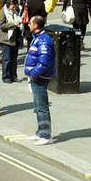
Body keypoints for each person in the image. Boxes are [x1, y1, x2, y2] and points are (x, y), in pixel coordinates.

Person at [23, 15, 56, 143]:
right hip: (36, 77)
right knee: (38, 106)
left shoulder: (43, 40)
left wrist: (34, 74)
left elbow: (44, 61)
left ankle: (46, 135)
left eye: (30, 23)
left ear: (36, 25)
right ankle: (40, 131)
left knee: (42, 107)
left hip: (40, 78)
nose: (28, 24)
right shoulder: (38, 38)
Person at [0, 0, 22, 85]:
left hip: (14, 39)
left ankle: (14, 76)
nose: (14, 8)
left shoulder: (15, 12)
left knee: (14, 59)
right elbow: (1, 25)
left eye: (15, 6)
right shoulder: (3, 12)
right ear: (8, 5)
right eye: (13, 6)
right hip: (6, 39)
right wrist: (13, 24)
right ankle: (6, 77)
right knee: (7, 59)